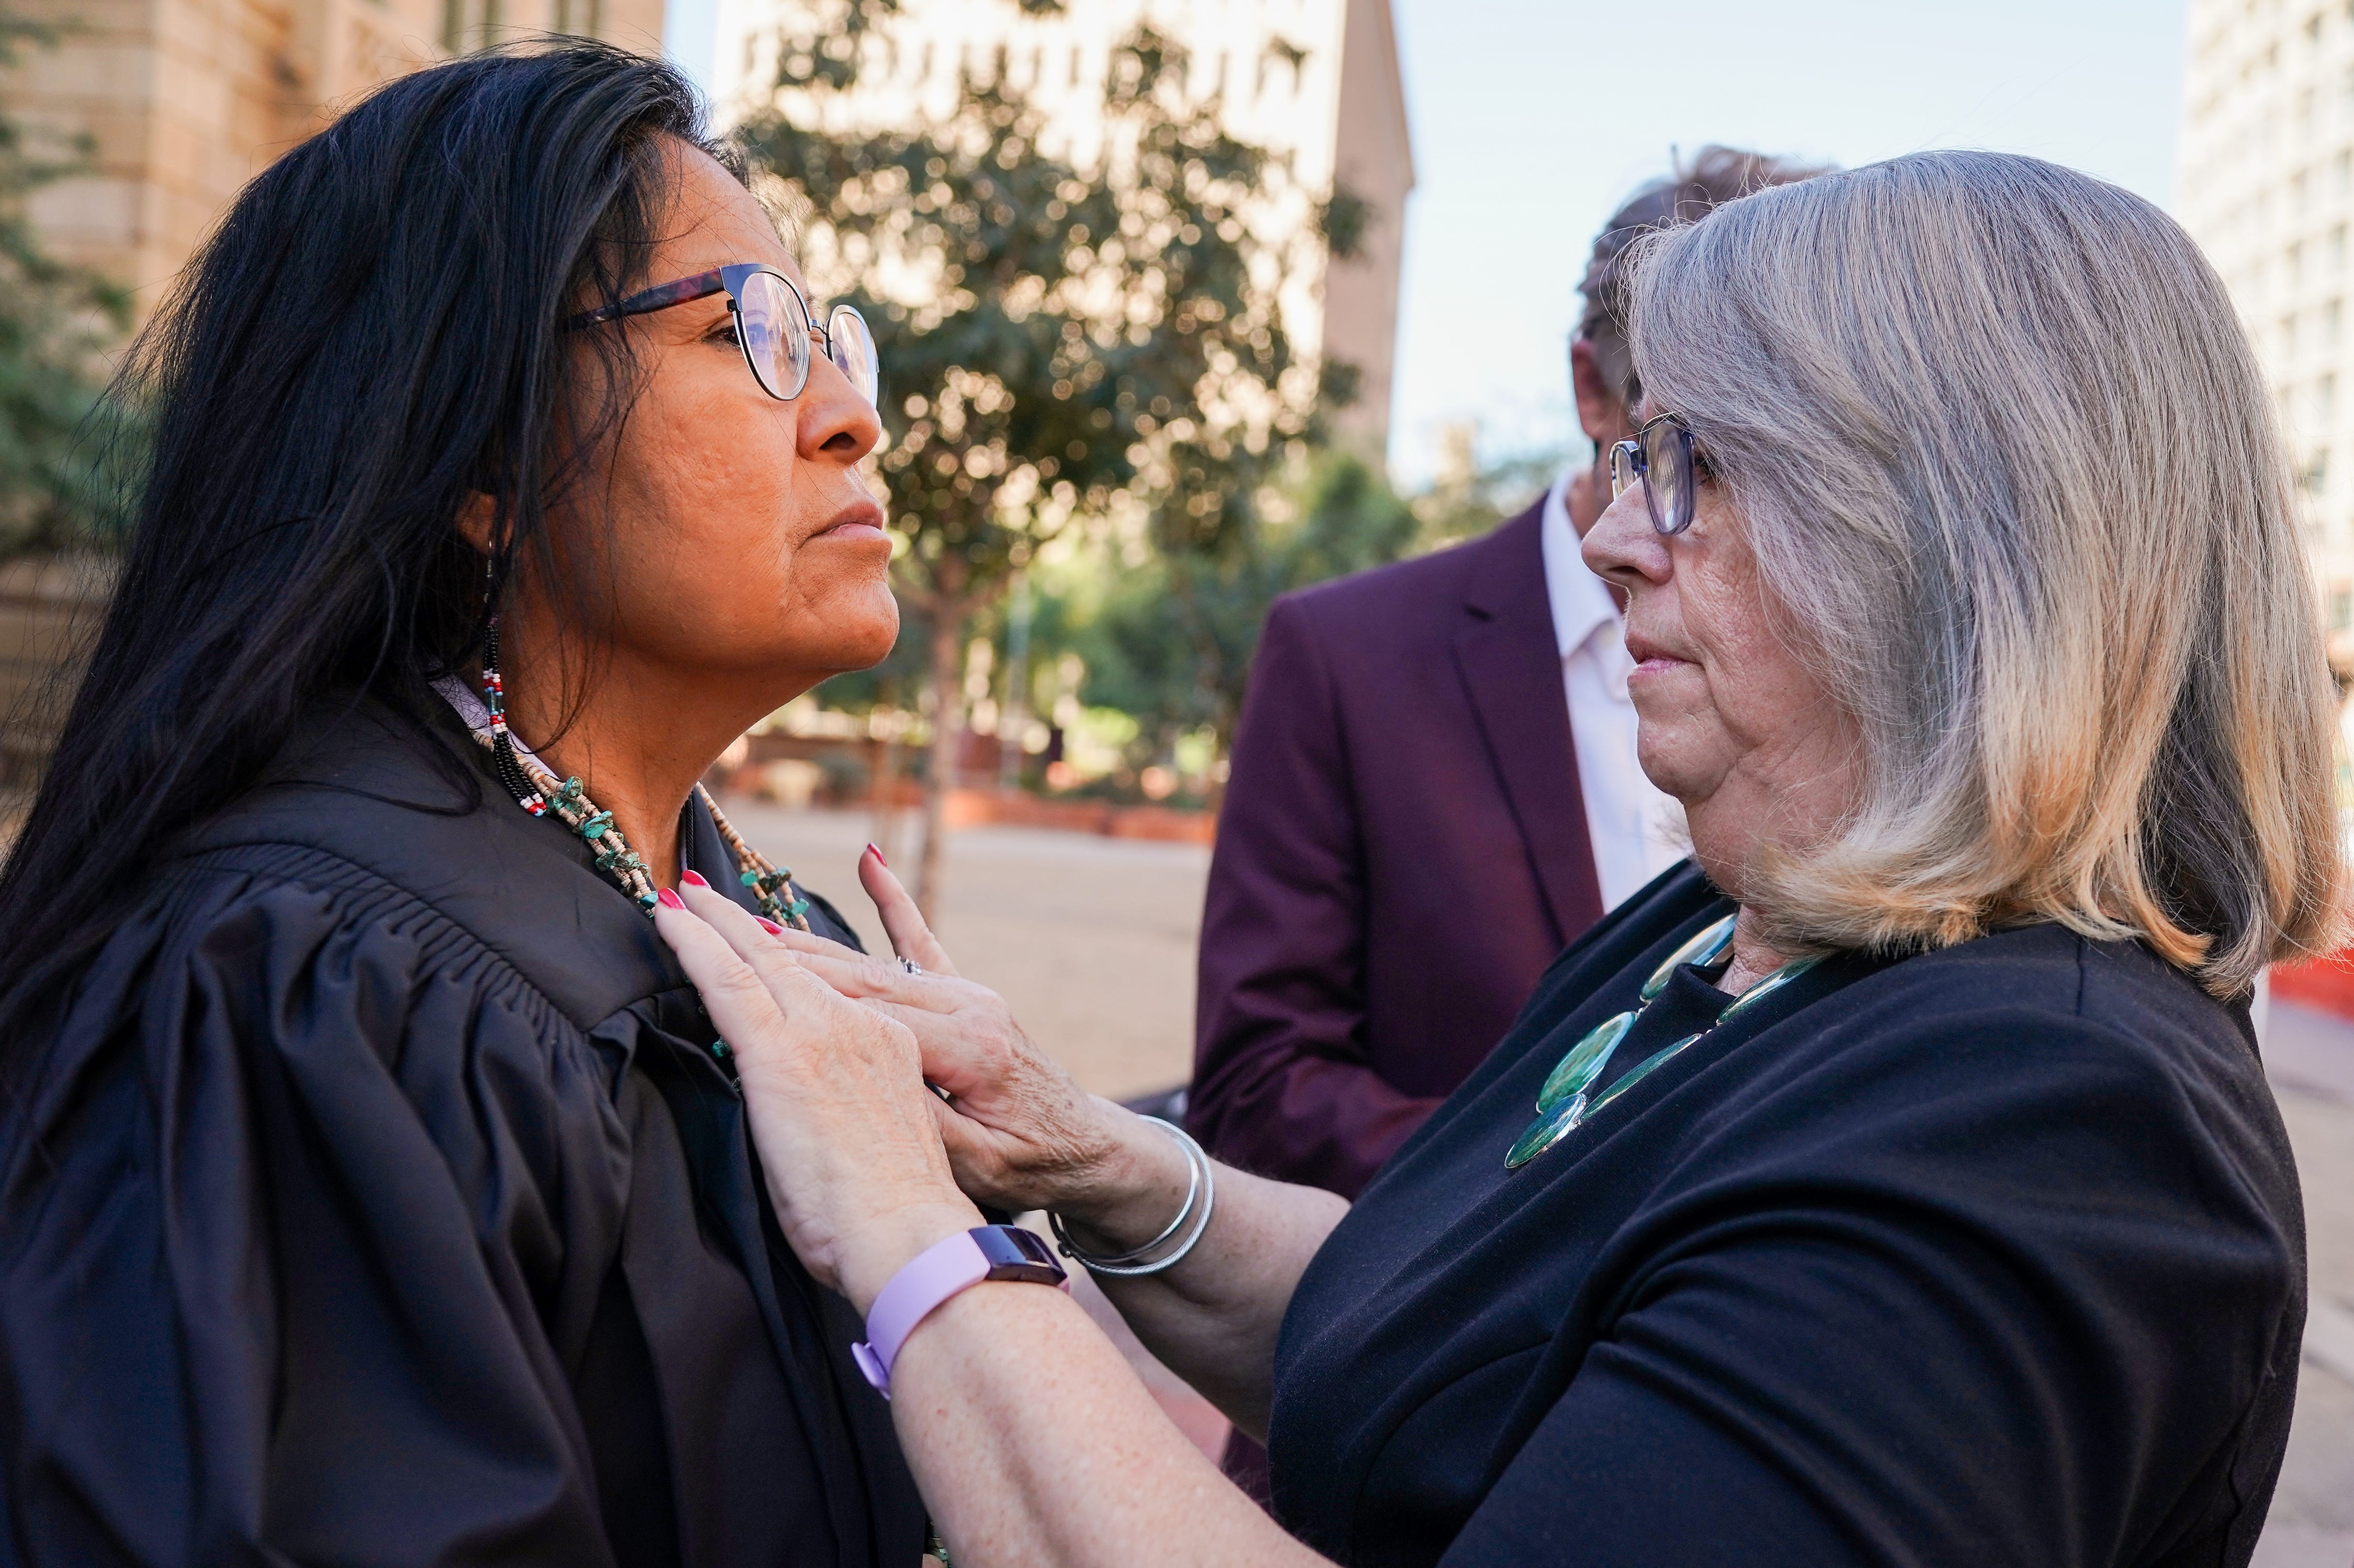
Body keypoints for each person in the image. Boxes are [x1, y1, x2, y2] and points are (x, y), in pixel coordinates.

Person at [656, 149, 2338, 1568]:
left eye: (1689, 466)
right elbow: (1474, 1339)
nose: (1608, 535)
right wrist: (1093, 1162)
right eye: (1626, 456)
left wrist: (906, 1231)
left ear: (1953, 539)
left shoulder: (2041, 1123)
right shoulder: (1735, 918)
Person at [0, 46, 927, 1563]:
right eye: (747, 331)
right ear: (484, 454)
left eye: (833, 340)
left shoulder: (766, 924)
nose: (847, 418)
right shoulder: (307, 985)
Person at [1189, 146, 1827, 1204]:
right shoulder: (1349, 656)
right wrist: (1591, 1171)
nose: (1743, 489)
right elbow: (1257, 1091)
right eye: (1697, 445)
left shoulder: (1862, 664)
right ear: (1593, 388)